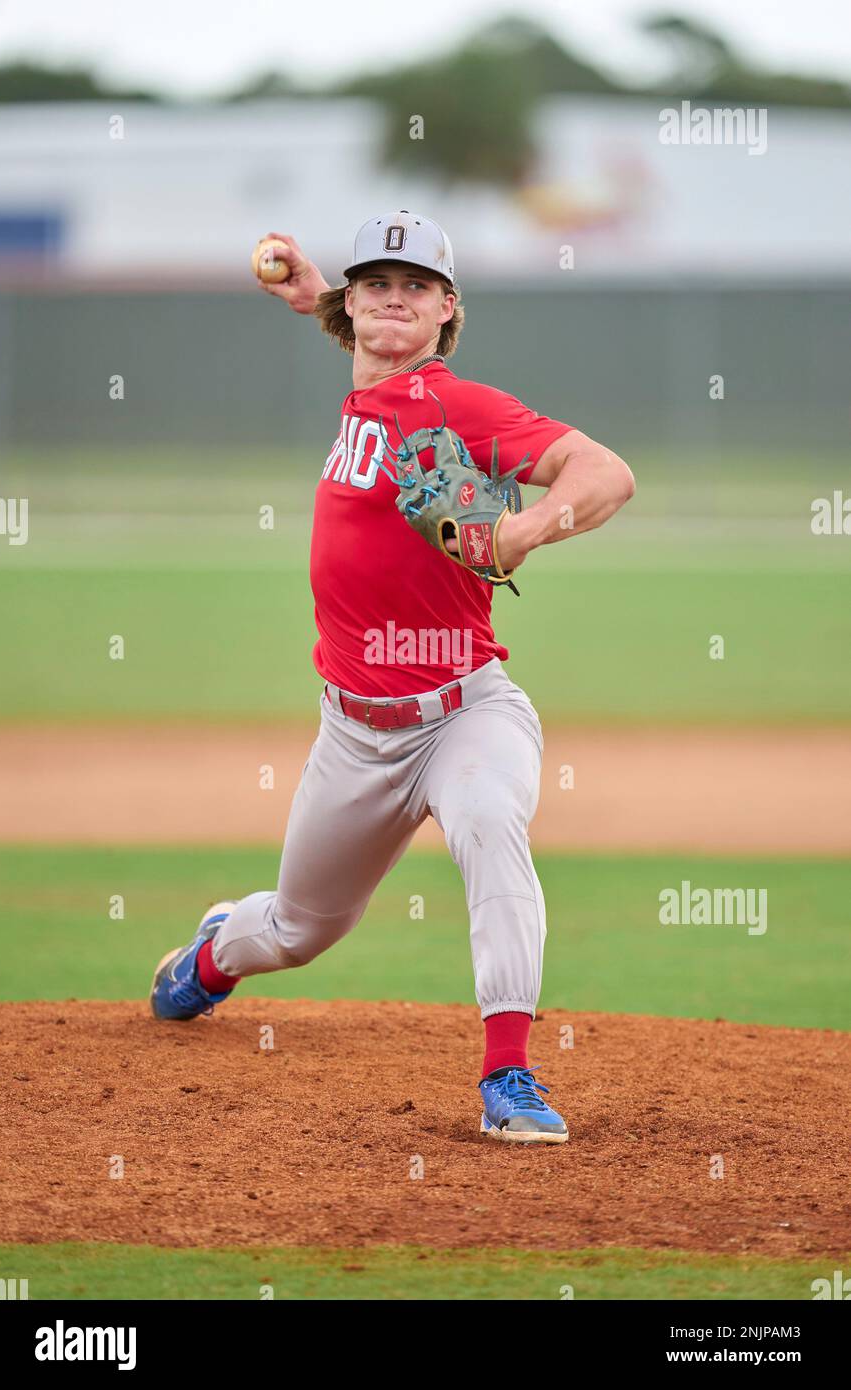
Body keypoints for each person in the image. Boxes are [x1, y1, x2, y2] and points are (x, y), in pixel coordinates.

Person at [150, 210, 635, 1143]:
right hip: (354, 731)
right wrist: (314, 294)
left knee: (490, 824)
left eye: (416, 287)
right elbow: (371, 341)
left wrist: (526, 528)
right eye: (377, 285)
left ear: (449, 309)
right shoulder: (372, 387)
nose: (393, 300)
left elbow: (603, 471)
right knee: (297, 929)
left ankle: (509, 1077)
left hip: (465, 712)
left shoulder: (457, 406)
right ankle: (211, 959)